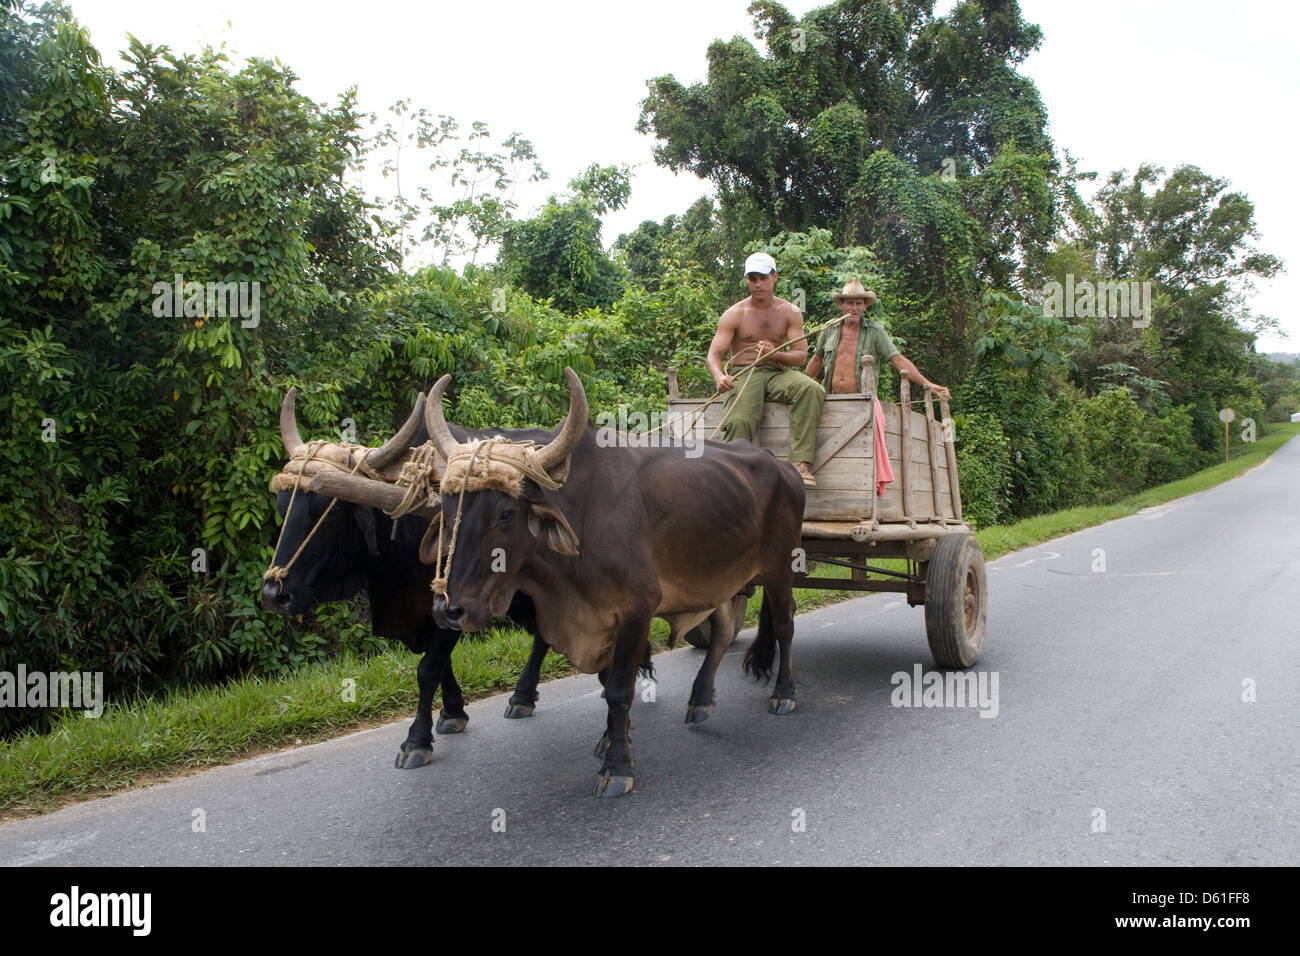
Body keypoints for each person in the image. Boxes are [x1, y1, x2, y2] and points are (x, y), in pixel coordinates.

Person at [707, 252, 826, 486]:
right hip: (744, 372)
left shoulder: (790, 311)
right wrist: (719, 377)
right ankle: (735, 474)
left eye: (762, 277)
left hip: (776, 371)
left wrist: (777, 353)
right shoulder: (734, 314)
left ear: (774, 277)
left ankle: (800, 464)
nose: (757, 284)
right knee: (739, 420)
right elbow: (714, 355)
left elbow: (801, 356)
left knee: (811, 388)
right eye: (752, 278)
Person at [805, 278, 949, 399]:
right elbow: (817, 360)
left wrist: (926, 384)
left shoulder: (875, 331)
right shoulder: (829, 328)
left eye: (859, 303)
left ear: (864, 307)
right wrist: (801, 385)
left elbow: (897, 360)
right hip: (832, 398)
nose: (854, 308)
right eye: (849, 303)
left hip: (863, 399)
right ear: (841, 305)